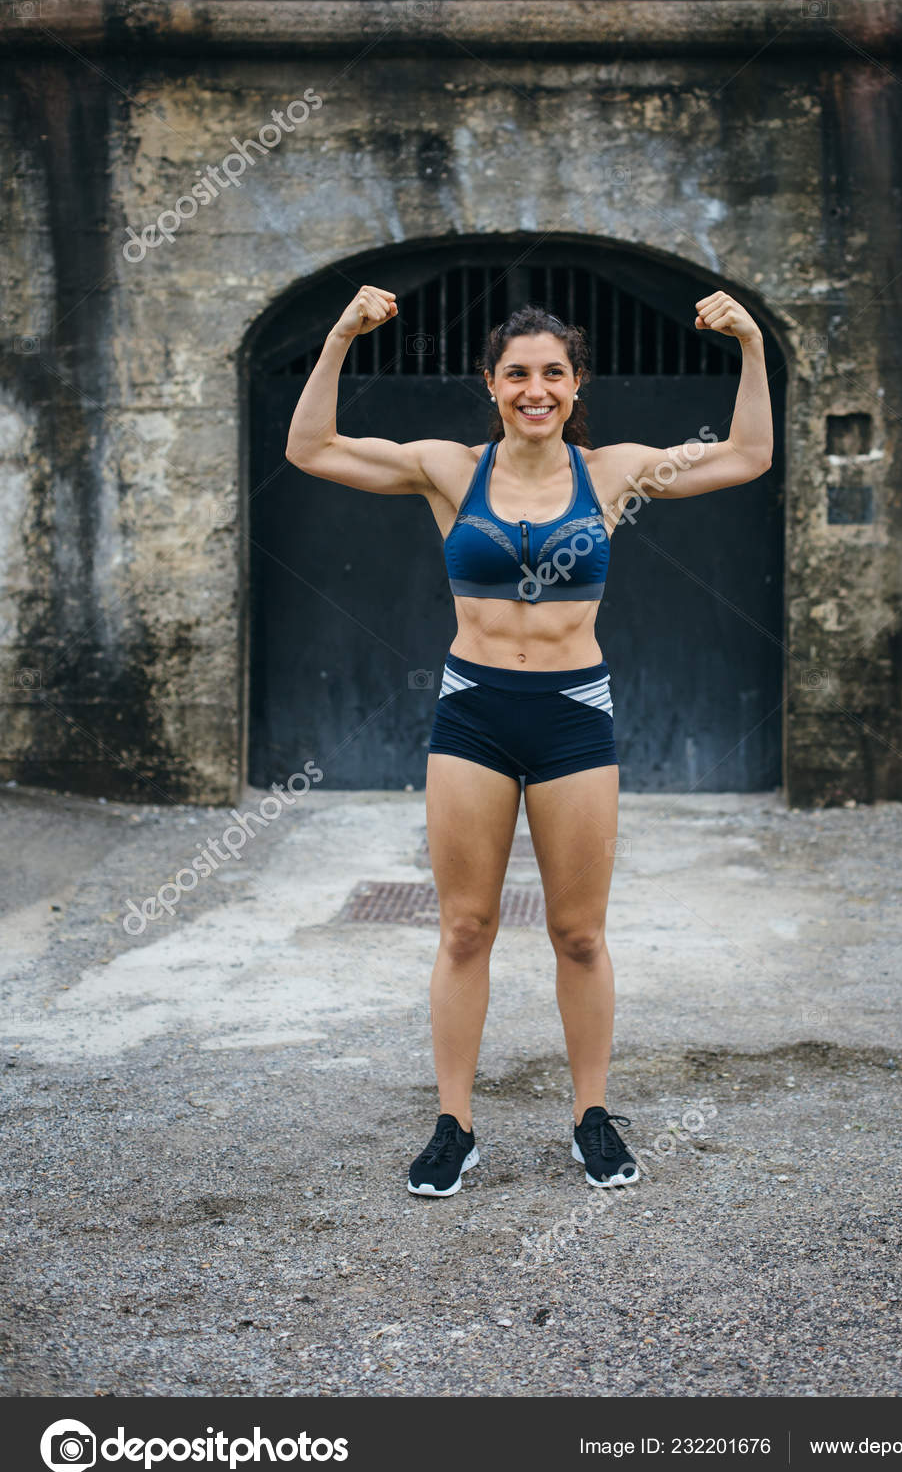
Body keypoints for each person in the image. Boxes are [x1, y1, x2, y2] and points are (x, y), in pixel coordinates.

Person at [285, 284, 773, 1196]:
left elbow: (747, 455)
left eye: (553, 373)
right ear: (491, 384)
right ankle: (454, 1125)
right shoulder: (448, 469)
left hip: (572, 714)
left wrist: (748, 343)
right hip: (472, 709)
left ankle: (591, 1118)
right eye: (517, 374)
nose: (535, 389)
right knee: (465, 928)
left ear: (574, 383)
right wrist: (341, 335)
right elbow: (309, 447)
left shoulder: (615, 471)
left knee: (578, 935)